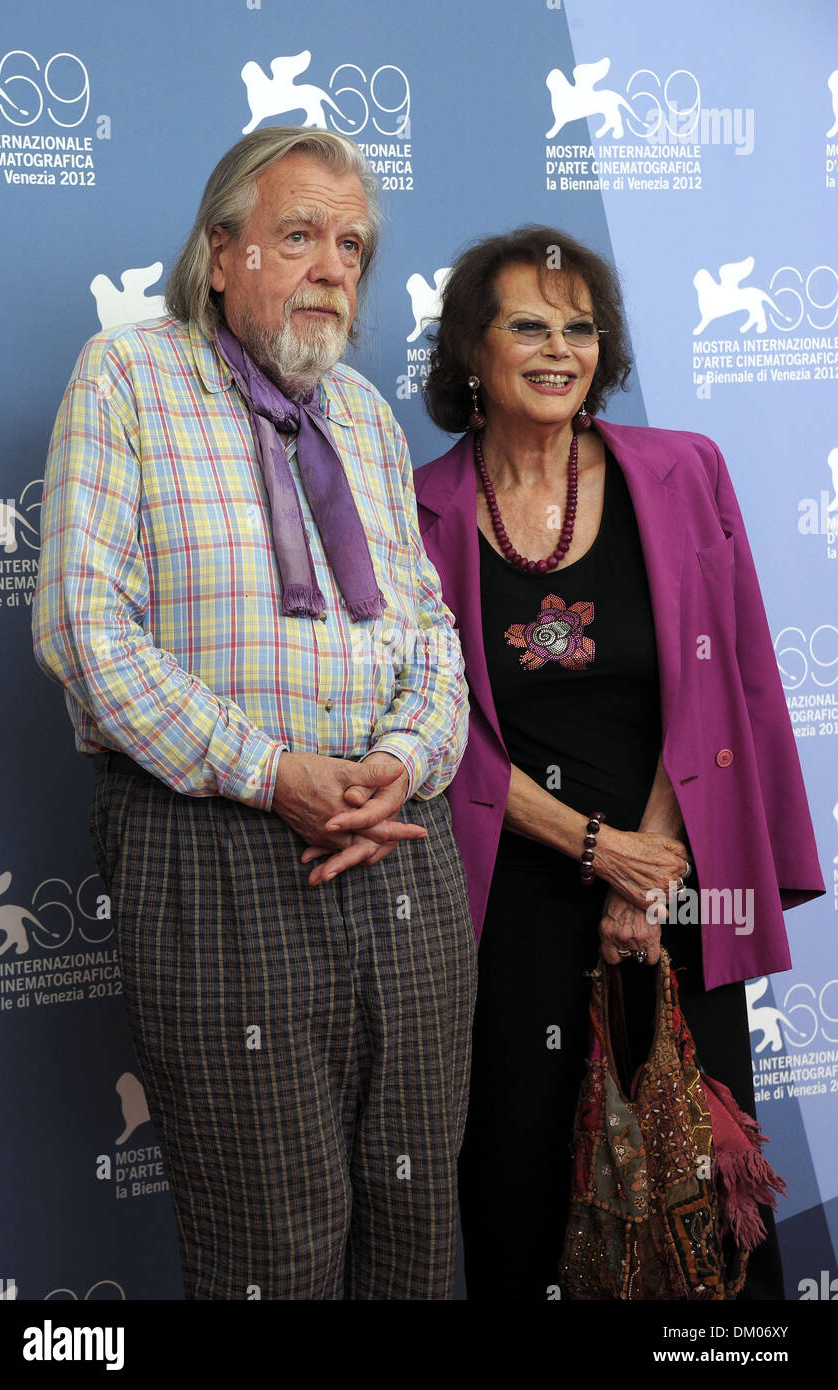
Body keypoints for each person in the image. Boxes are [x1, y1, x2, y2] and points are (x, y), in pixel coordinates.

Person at [32, 127, 477, 1301]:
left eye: (351, 247)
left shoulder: (371, 422)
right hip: (216, 847)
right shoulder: (126, 377)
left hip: (398, 847)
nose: (333, 268)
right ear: (220, 254)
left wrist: (395, 759)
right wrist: (273, 769)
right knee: (268, 1254)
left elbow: (429, 634)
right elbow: (84, 630)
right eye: (298, 237)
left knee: (421, 1238)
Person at [413, 225, 825, 1302]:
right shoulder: (412, 509)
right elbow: (433, 732)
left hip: (673, 887)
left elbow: (721, 680)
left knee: (695, 1183)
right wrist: (597, 850)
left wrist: (648, 869)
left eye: (581, 328)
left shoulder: (683, 472)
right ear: (469, 351)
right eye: (528, 325)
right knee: (521, 1194)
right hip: (508, 897)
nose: (560, 349)